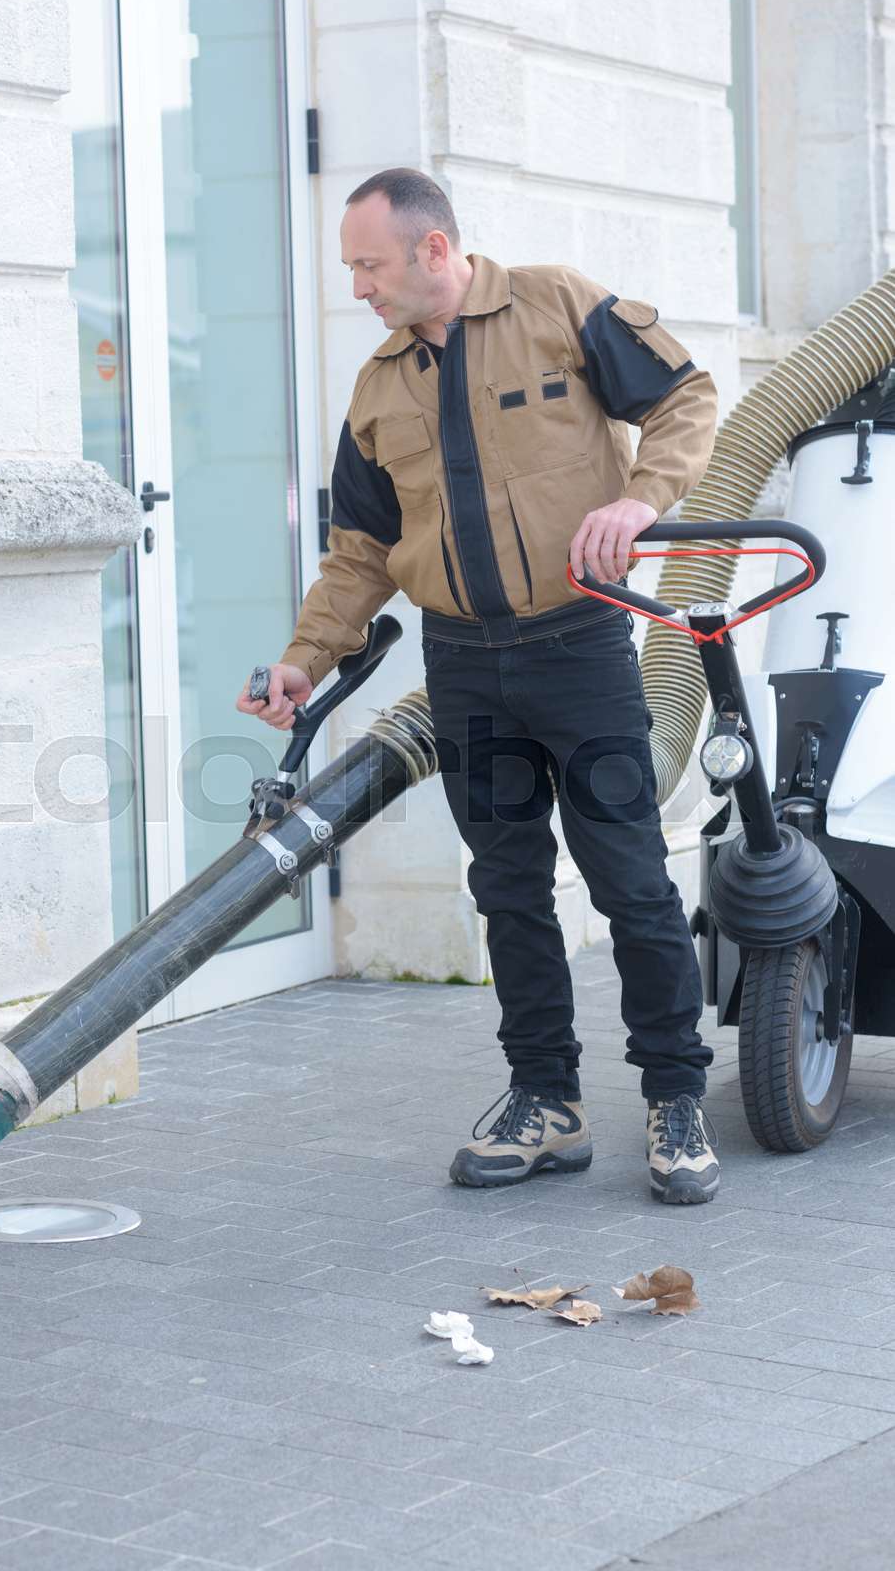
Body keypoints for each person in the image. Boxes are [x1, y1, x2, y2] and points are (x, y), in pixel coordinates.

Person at [235, 167, 720, 1205]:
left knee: (629, 879)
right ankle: (546, 1099)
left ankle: (677, 1098)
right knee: (506, 887)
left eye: (368, 263)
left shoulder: (557, 303)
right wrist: (302, 660)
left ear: (435, 251)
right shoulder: (376, 389)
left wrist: (641, 501)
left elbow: (687, 395)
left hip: (581, 645)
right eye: (350, 267)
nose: (356, 284)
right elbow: (362, 551)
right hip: (463, 664)